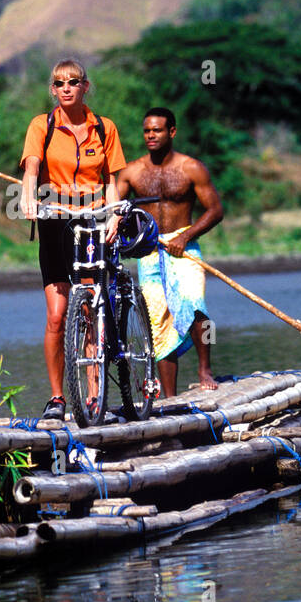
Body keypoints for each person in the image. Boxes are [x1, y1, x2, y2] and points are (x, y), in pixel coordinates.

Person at [20, 59, 126, 419]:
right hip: (54, 223)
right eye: (59, 83)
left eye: (74, 82)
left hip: (92, 223)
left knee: (90, 308)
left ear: (85, 86)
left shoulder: (104, 128)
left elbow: (113, 179)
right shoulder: (42, 125)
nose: (66, 88)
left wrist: (113, 213)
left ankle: (95, 399)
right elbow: (32, 165)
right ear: (53, 89)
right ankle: (57, 399)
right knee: (57, 315)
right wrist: (27, 196)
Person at [114, 107, 223, 396]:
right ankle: (169, 396)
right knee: (157, 318)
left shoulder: (191, 168)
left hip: (184, 246)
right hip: (150, 248)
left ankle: (204, 370)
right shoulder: (132, 171)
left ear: (171, 132)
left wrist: (186, 236)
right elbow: (112, 208)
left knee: (195, 304)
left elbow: (215, 210)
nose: (151, 136)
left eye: (157, 130)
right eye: (147, 131)